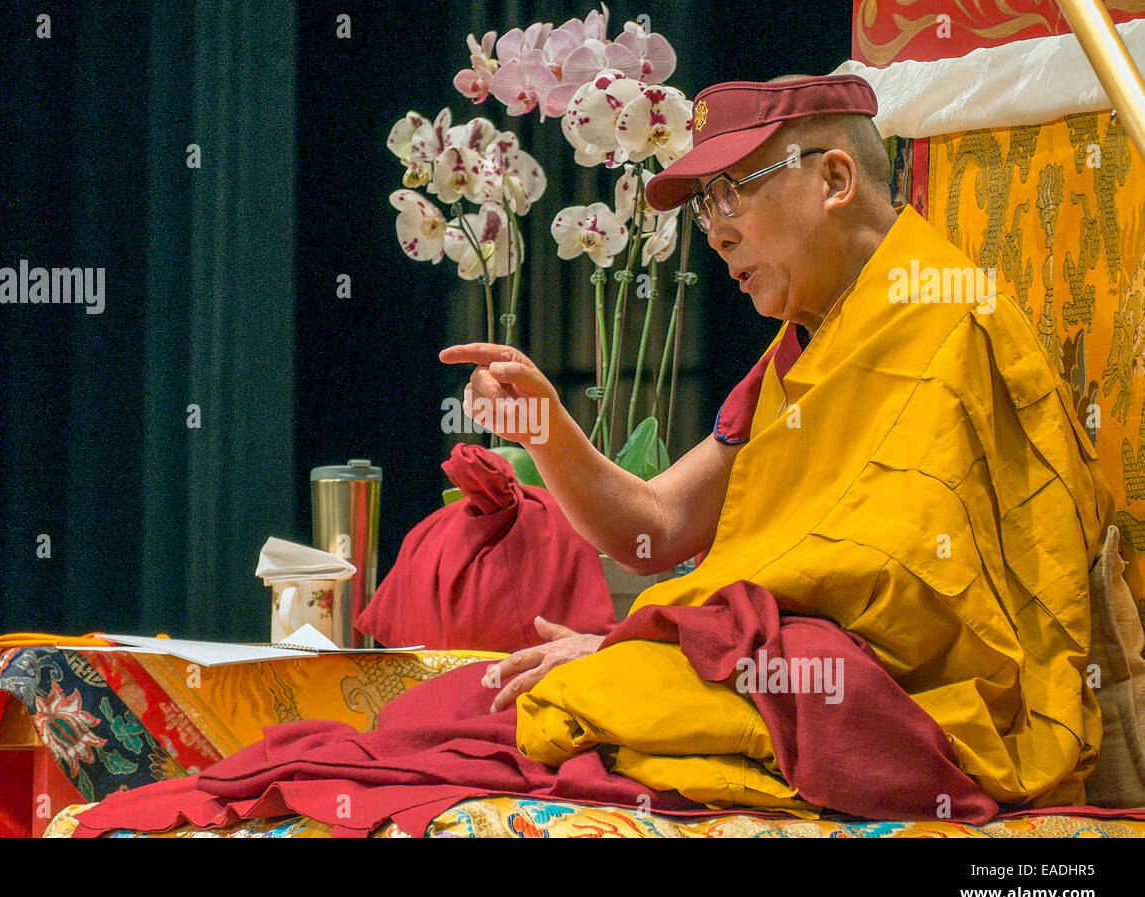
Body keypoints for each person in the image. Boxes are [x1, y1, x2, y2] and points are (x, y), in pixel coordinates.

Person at [441, 73, 1115, 808]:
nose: (718, 233)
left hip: (915, 702)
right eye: (704, 211)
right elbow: (656, 528)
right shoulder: (806, 343)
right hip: (802, 672)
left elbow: (910, 605)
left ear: (833, 178)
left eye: (732, 194)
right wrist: (547, 429)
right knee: (470, 709)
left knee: (586, 698)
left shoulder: (951, 320)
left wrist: (658, 642)